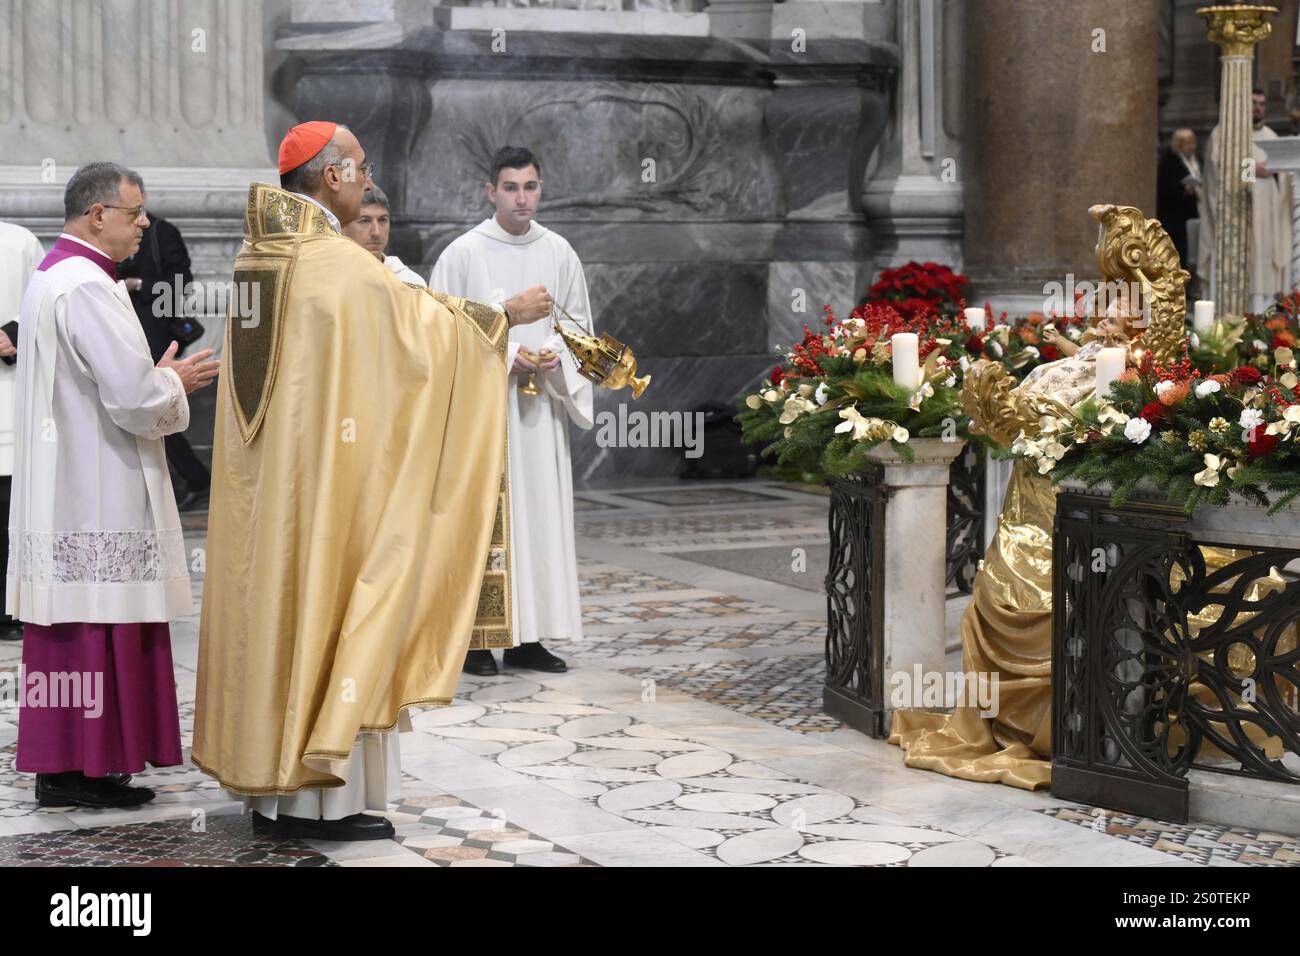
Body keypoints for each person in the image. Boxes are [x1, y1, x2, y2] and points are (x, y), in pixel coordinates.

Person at [191, 122, 551, 841]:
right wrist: (502, 317)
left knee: (277, 620)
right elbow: (418, 337)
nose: (366, 175)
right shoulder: (337, 264)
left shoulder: (260, 255)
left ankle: (273, 794)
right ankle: (323, 802)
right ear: (331, 177)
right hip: (331, 493)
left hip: (274, 495)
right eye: (358, 166)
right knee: (329, 615)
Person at [9, 162, 219, 808]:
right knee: (101, 621)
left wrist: (152, 378)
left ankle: (65, 767)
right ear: (98, 215)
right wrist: (174, 384)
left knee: (69, 626)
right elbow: (130, 397)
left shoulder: (54, 277)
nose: (145, 224)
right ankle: (93, 769)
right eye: (135, 213)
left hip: (69, 481)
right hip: (101, 482)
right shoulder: (91, 288)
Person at [432, 145, 593, 677]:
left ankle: (529, 637)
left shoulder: (560, 252)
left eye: (530, 187)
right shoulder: (463, 254)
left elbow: (580, 333)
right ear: (490, 192)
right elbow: (437, 336)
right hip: (485, 413)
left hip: (540, 412)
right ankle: (477, 640)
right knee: (485, 519)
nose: (521, 198)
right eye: (510, 188)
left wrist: (555, 357)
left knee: (539, 519)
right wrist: (504, 354)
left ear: (541, 189)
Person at [116, 192, 212, 511]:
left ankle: (196, 479)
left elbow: (181, 281)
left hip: (156, 332)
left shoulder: (161, 231)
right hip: (128, 330)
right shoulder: (116, 233)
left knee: (155, 404)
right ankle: (190, 480)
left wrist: (140, 284)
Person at [1198, 89, 1293, 310]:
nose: (1258, 107)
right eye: (1253, 102)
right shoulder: (1223, 133)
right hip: (1235, 215)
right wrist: (1252, 169)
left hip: (1266, 220)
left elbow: (1284, 179)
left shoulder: (1271, 136)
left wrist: (1276, 171)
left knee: (1262, 273)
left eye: (1262, 103)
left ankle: (1263, 323)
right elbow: (1218, 172)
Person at [0, 221, 44, 639]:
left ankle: (8, 611)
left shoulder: (20, 241)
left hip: (8, 398)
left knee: (6, 511)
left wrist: (14, 333)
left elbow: (43, 303)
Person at [341, 185, 427, 286]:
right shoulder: (328, 279)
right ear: (343, 227)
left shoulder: (412, 283)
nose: (376, 232)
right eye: (365, 221)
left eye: (382, 220)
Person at [1156, 128, 1201, 270]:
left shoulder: (1197, 160)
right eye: (1188, 143)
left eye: (1193, 143)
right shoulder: (1170, 161)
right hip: (1176, 215)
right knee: (1180, 251)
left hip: (1194, 210)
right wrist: (1183, 189)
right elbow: (1164, 187)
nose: (1192, 147)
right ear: (1179, 145)